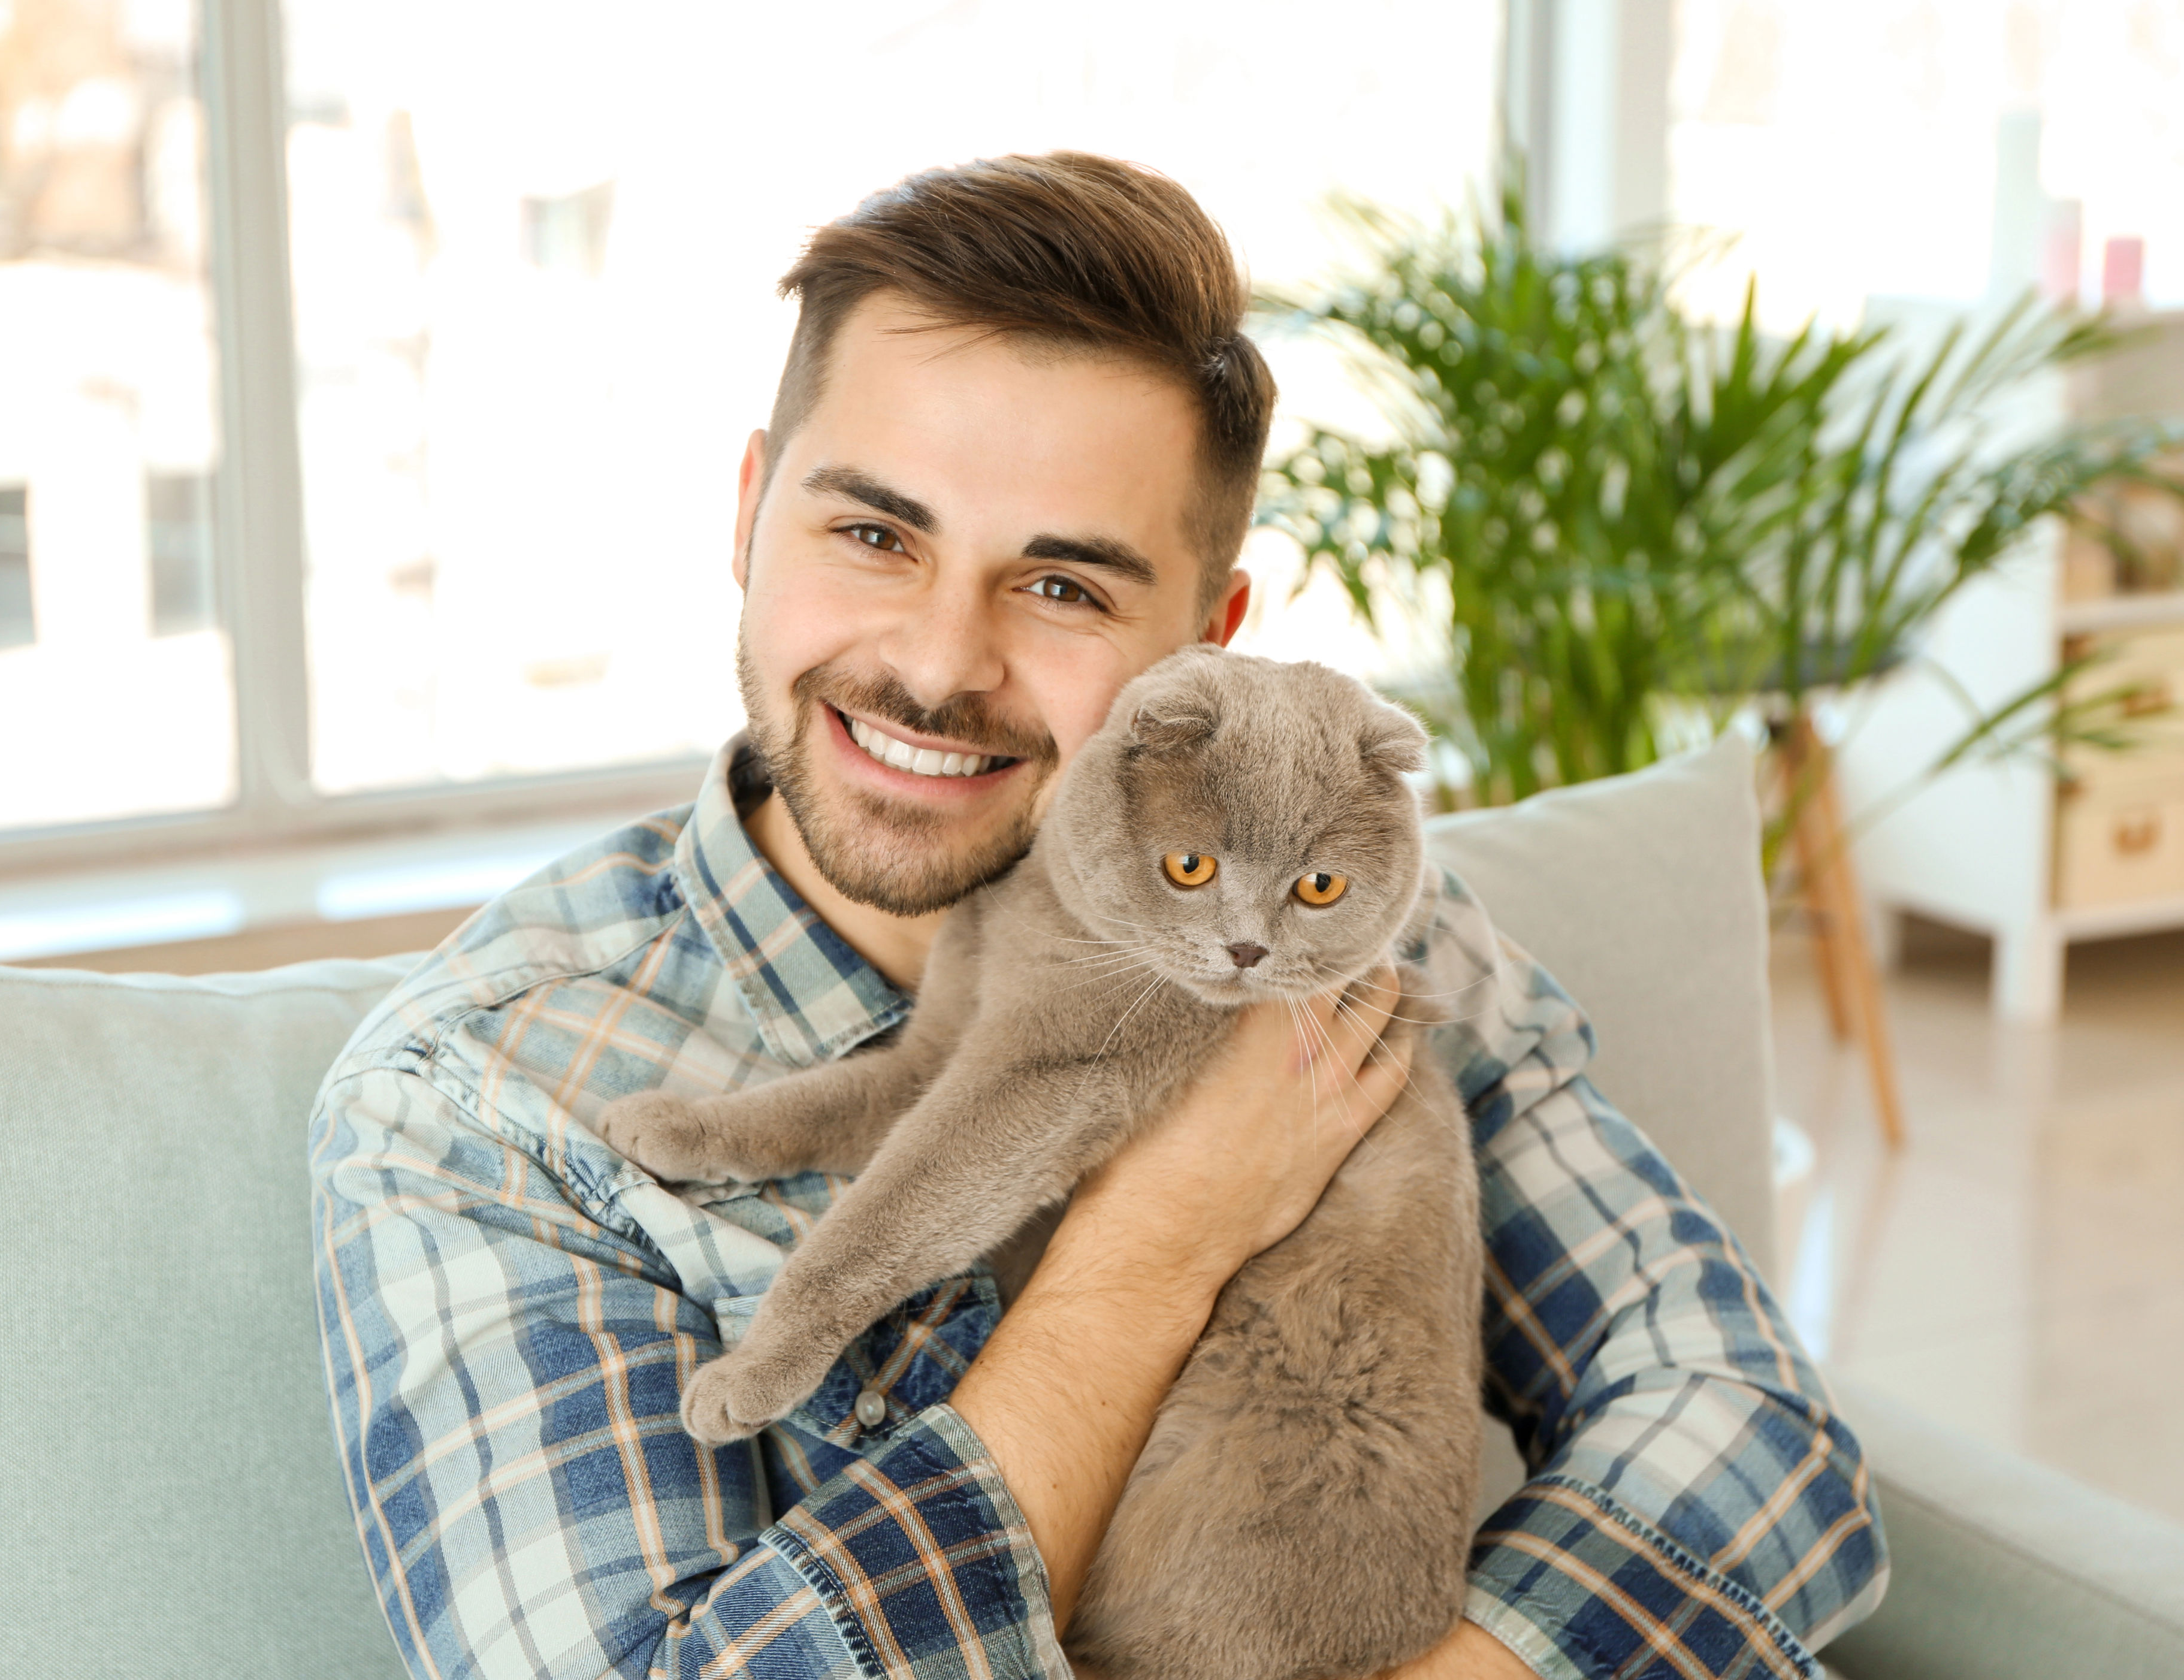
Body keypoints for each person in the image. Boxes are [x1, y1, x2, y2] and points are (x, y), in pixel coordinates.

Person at [309, 152, 1886, 1679]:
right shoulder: (491, 1101)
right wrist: (1153, 1243)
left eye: (1063, 588)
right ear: (747, 513)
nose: (936, 664)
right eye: (873, 533)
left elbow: (1755, 1423)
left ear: (1208, 642)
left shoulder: (1347, 931)